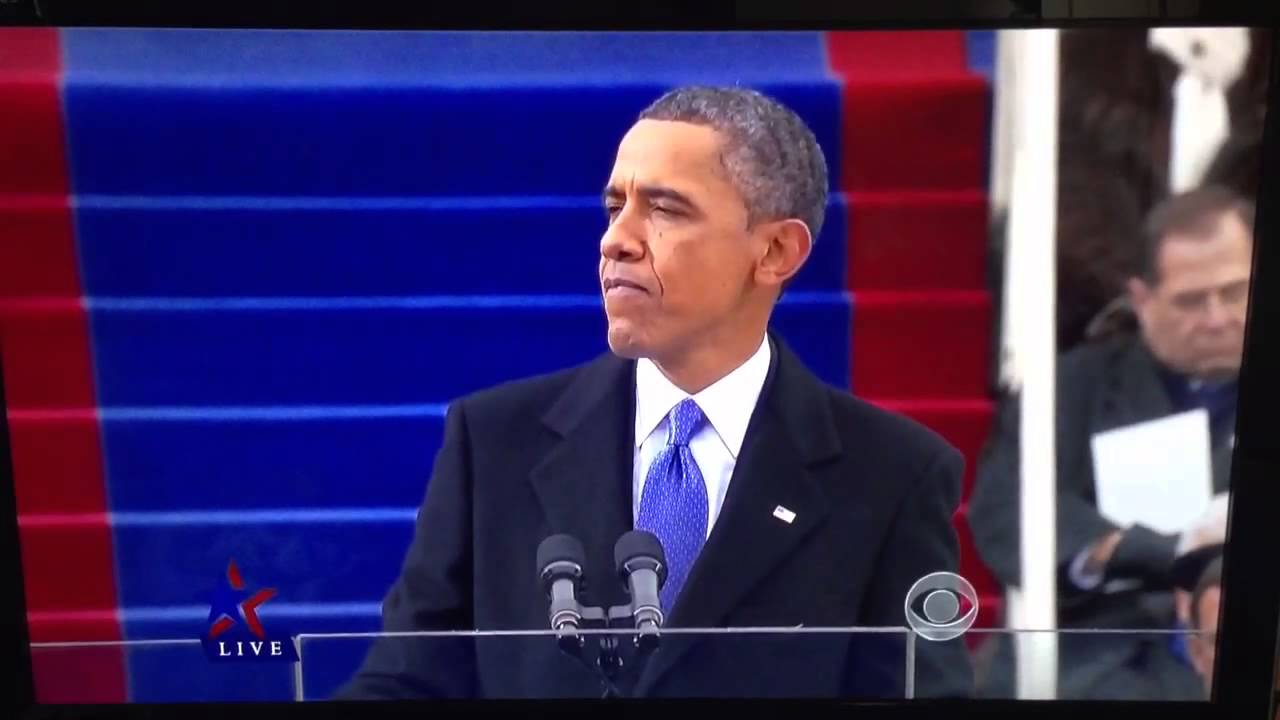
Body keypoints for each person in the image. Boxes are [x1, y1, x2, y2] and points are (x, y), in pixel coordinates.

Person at [334, 86, 973, 699]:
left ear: (776, 251)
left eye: (665, 209)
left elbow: (919, 689)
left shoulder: (893, 474)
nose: (615, 239)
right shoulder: (493, 440)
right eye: (615, 207)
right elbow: (407, 679)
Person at [968, 184, 1254, 700]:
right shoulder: (1071, 385)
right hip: (1093, 654)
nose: (1216, 318)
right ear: (1142, 299)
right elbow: (1007, 511)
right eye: (1191, 301)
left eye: (1235, 292)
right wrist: (1134, 549)